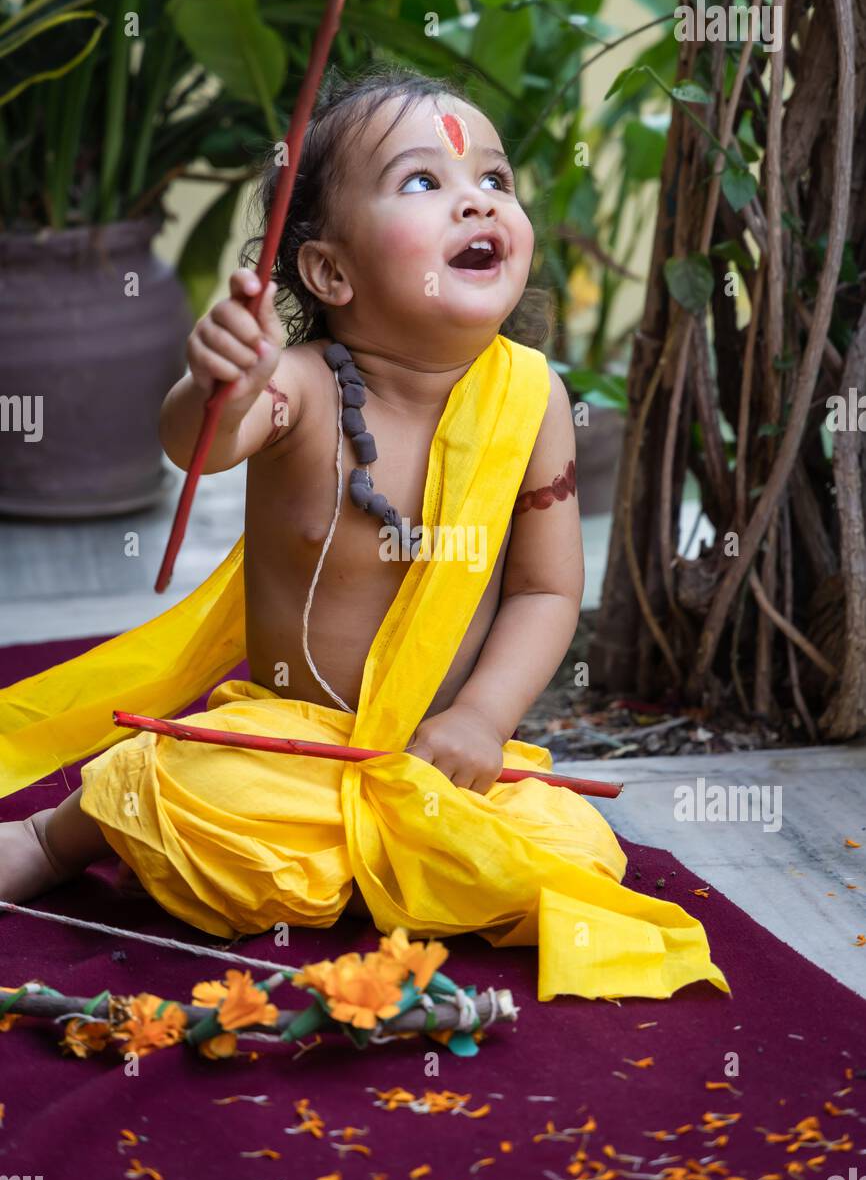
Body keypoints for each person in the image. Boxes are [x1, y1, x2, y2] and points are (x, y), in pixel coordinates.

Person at [0, 67, 729, 1003]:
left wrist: (480, 719)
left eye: (495, 182)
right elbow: (200, 446)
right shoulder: (300, 385)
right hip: (286, 743)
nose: (477, 201)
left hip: (435, 763)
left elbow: (548, 592)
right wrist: (221, 375)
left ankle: (371, 863)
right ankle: (50, 840)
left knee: (574, 845)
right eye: (424, 183)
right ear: (331, 271)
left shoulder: (533, 396)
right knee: (176, 779)